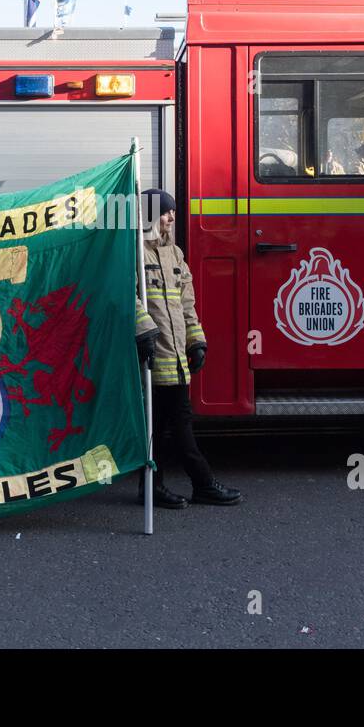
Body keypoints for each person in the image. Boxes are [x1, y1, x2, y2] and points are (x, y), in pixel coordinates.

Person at [134, 188, 241, 509]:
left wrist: (197, 341)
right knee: (176, 425)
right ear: (150, 215)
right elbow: (125, 295)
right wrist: (143, 330)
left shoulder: (175, 255)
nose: (171, 217)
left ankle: (152, 488)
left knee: (161, 427)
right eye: (165, 211)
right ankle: (203, 482)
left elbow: (187, 304)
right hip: (152, 356)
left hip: (176, 357)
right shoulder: (135, 253)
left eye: (172, 211)